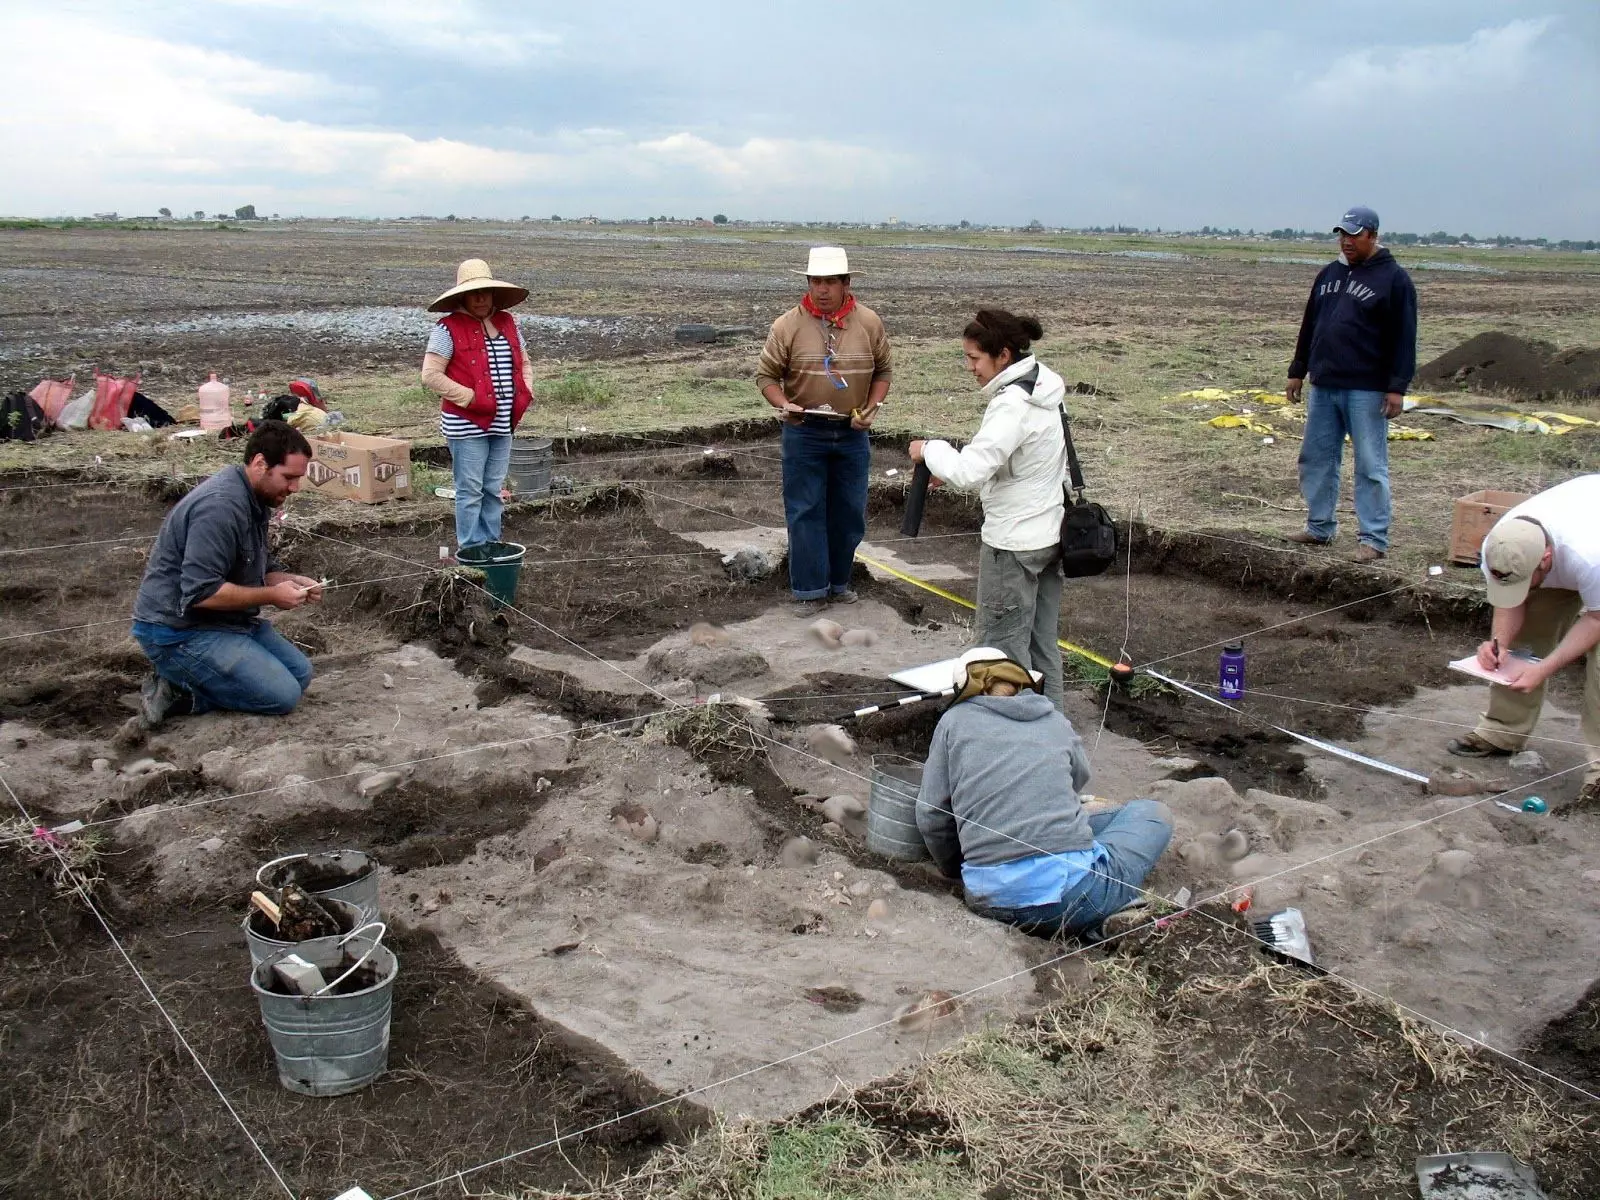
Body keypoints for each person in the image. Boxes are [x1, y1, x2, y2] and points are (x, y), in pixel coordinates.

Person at [916, 648, 1174, 939]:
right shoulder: (1053, 720)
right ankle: (1098, 923)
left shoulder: (952, 722)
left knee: (1096, 823)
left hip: (985, 899)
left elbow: (931, 814)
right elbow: (1077, 781)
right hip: (1072, 895)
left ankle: (1092, 926)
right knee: (1152, 814)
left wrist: (954, 868)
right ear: (1020, 683)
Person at [908, 310, 1068, 710]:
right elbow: (1014, 459)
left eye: (974, 358)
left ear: (1003, 355)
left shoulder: (1012, 403)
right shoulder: (1044, 388)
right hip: (1049, 536)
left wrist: (930, 450)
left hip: (1013, 545)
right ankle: (1053, 734)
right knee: (1041, 646)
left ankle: (1011, 745)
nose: (970, 367)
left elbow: (969, 471)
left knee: (1000, 655)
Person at [130, 422, 322, 727]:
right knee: (281, 696)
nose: (295, 488)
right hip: (178, 631)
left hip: (223, 621)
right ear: (260, 463)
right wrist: (272, 595)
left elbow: (257, 567)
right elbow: (202, 592)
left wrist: (287, 581)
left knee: (300, 674)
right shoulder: (219, 508)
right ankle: (179, 689)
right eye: (289, 477)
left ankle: (195, 678)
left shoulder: (256, 498)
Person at [1446, 474, 1600, 809]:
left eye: (1528, 581)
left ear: (1545, 559)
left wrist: (1543, 669)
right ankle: (1503, 732)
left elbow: (1596, 620)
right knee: (1523, 639)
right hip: (1564, 556)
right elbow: (1510, 601)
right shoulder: (1500, 546)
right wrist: (1498, 644)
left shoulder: (1590, 556)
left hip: (1592, 558)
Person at [756, 246, 892, 615]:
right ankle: (810, 591)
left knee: (848, 511)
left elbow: (883, 372)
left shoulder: (869, 323)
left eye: (831, 281)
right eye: (816, 281)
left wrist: (872, 409)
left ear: (846, 283)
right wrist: (784, 404)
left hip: (853, 430)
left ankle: (839, 584)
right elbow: (766, 376)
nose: (822, 289)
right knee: (805, 511)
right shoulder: (787, 325)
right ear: (808, 283)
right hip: (804, 431)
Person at [1285, 205, 1418, 564]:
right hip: (1325, 384)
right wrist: (1298, 369)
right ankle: (1319, 526)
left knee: (1370, 464)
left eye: (1354, 235)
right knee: (1316, 457)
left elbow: (1405, 338)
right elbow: (1310, 324)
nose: (1346, 242)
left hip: (1367, 388)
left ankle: (1373, 539)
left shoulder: (1394, 280)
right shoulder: (1328, 275)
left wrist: (1397, 387)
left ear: (1373, 235)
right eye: (1342, 235)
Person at [420, 258, 536, 555]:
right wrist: (469, 398)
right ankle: (472, 550)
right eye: (475, 293)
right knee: (470, 489)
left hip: (503, 422)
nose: (481, 298)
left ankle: (492, 545)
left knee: (493, 488)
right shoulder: (447, 329)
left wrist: (525, 390)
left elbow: (523, 361)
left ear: (494, 294)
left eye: (485, 292)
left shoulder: (508, 323)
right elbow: (431, 375)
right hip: (466, 423)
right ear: (463, 296)